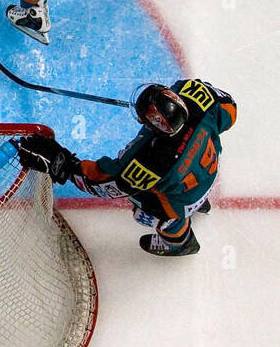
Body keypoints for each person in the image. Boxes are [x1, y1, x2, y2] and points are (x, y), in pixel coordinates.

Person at [15, 79, 237, 256]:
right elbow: (230, 108)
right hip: (207, 174)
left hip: (184, 198)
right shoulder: (198, 98)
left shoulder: (149, 161)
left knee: (147, 212)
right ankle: (197, 203)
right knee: (180, 178)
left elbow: (103, 184)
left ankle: (179, 241)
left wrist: (63, 163)